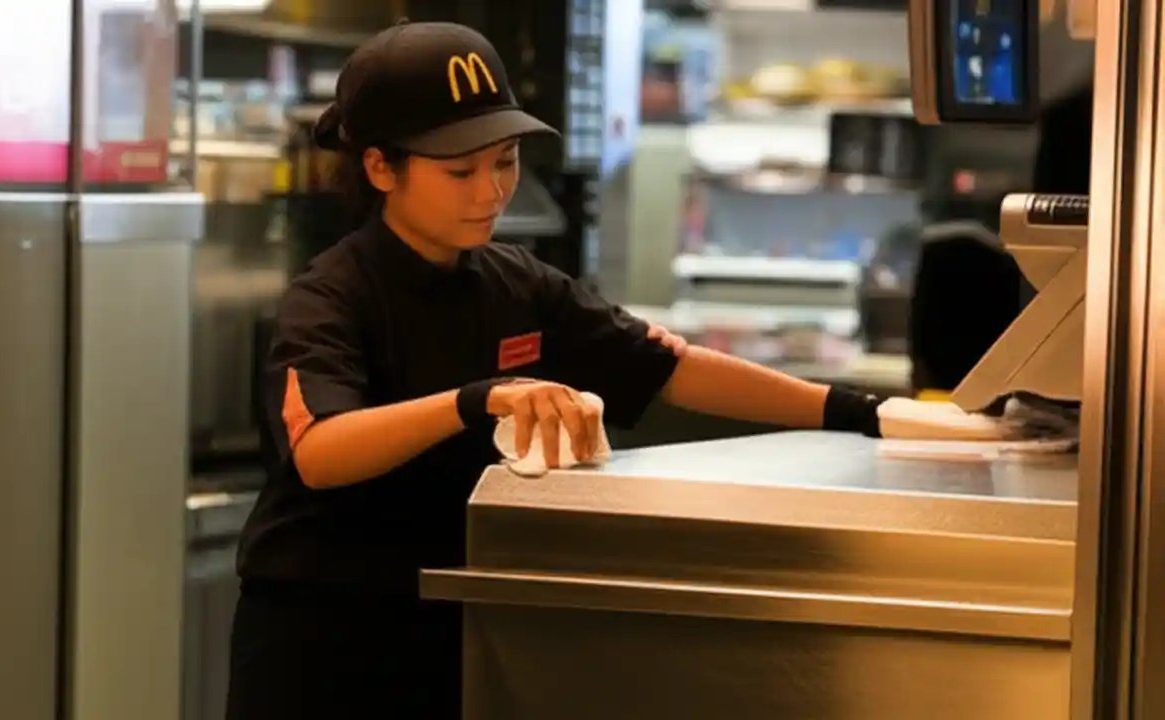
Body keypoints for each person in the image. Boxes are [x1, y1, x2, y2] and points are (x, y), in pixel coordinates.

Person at [226, 20, 884, 720]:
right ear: (382, 168)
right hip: (324, 640)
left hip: (452, 616)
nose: (490, 192)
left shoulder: (516, 281)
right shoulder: (330, 297)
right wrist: (474, 400)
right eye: (460, 171)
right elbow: (322, 451)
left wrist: (858, 413)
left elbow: (669, 367)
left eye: (504, 161)